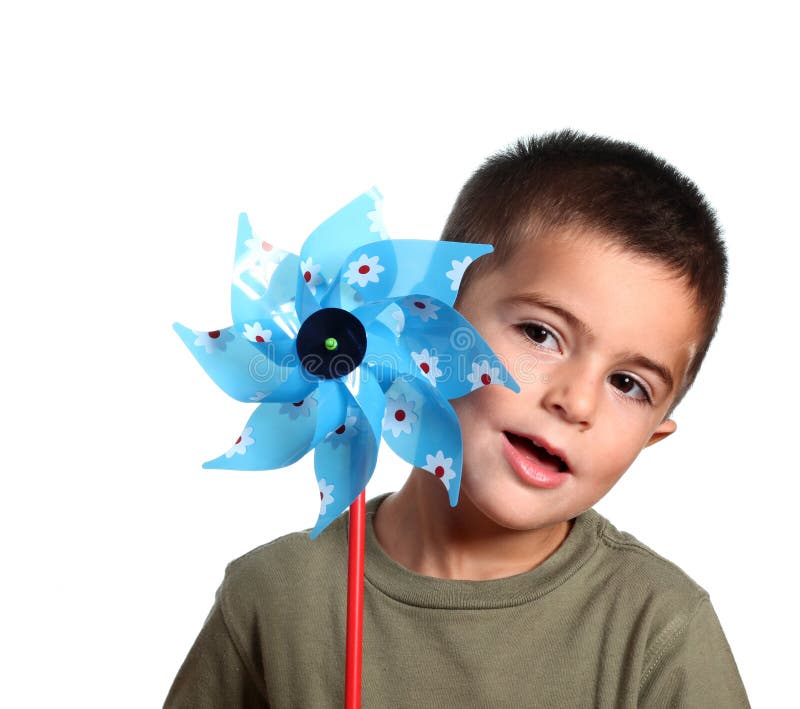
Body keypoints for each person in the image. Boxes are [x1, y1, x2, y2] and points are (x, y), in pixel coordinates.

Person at [164, 131, 750, 707]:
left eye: (628, 384)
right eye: (540, 334)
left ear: (654, 437)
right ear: (428, 326)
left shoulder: (660, 633)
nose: (577, 402)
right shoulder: (272, 599)